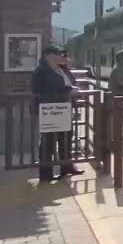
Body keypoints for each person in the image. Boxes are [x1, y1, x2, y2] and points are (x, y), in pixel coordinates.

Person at [31, 46, 77, 181]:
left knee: (66, 139)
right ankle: (46, 173)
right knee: (48, 142)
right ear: (47, 55)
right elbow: (44, 90)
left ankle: (66, 167)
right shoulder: (41, 71)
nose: (60, 56)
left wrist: (67, 67)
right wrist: (69, 91)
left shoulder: (61, 69)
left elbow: (70, 83)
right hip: (50, 112)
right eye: (57, 54)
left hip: (63, 110)